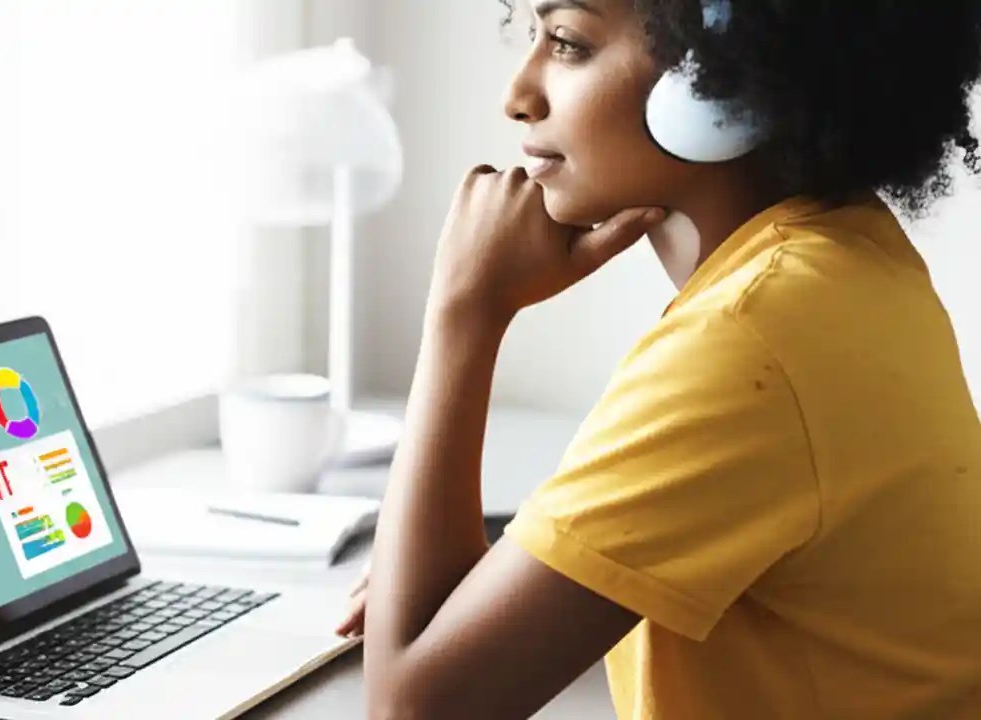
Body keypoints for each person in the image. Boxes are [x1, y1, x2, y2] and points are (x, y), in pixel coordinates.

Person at [335, 1, 981, 718]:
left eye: (568, 43)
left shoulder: (752, 333)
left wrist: (465, 310)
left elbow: (414, 707)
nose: (517, 95)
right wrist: (500, 585)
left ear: (721, 85)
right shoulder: (844, 263)